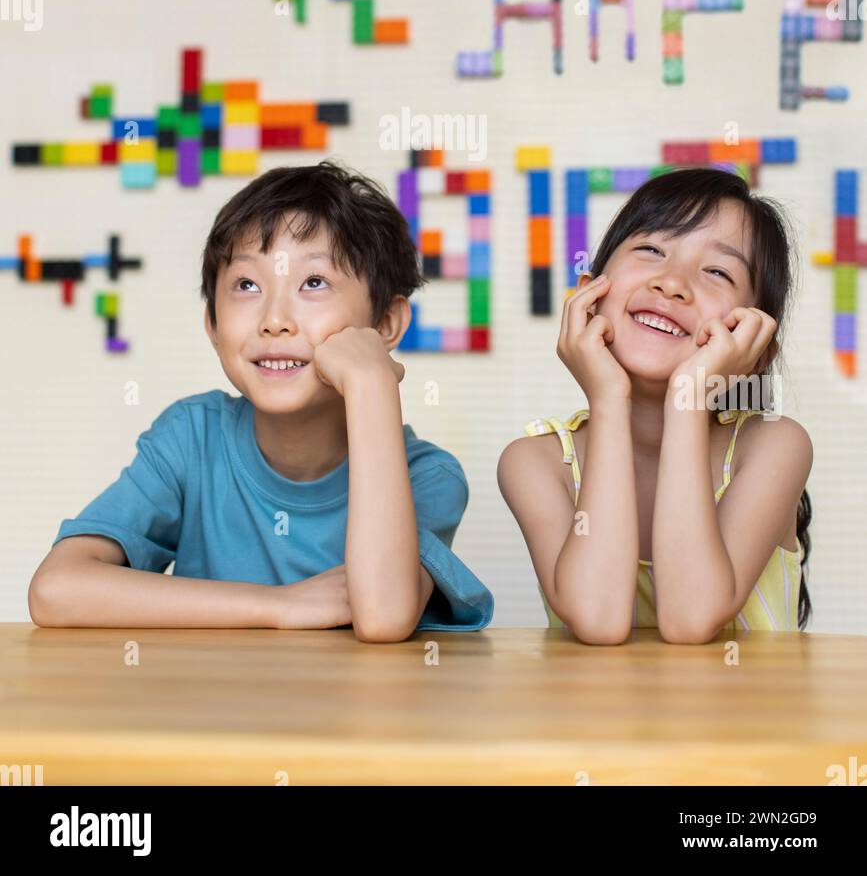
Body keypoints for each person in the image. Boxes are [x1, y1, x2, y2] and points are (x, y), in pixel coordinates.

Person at [30, 161, 494, 639]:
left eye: (313, 283)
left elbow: (383, 618)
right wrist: (279, 606)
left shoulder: (428, 477)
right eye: (247, 285)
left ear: (386, 324)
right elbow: (56, 588)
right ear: (212, 324)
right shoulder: (192, 438)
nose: (275, 320)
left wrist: (374, 387)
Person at [498, 166, 813, 643]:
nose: (672, 283)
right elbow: (597, 620)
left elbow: (691, 619)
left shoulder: (774, 446)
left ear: (754, 342)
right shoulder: (538, 462)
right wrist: (606, 399)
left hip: (750, 719)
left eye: (717, 272)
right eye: (651, 250)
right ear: (588, 292)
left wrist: (688, 397)